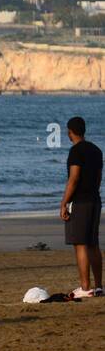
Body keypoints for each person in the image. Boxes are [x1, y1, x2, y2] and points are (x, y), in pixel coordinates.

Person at [60, 116, 102, 298]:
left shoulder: (76, 151)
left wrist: (64, 202)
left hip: (80, 201)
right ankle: (99, 286)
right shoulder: (97, 150)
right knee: (93, 243)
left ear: (70, 132)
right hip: (95, 199)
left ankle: (85, 287)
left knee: (80, 243)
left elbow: (74, 178)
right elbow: (99, 176)